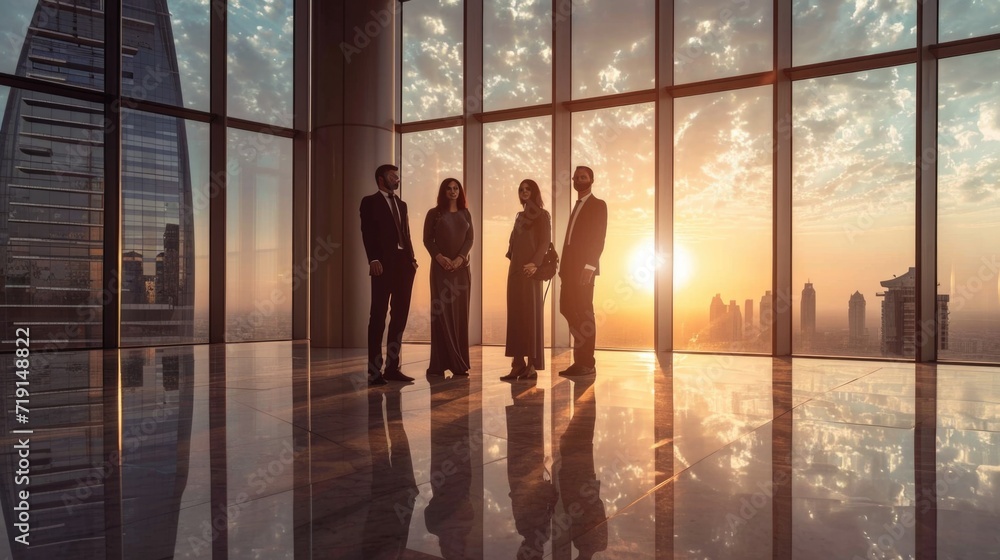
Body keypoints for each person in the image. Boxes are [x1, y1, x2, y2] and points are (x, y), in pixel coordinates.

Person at [360, 164, 417, 386]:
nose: (397, 179)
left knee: (399, 318)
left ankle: (393, 368)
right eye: (393, 176)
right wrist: (373, 259)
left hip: (405, 266)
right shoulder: (369, 202)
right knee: (378, 318)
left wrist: (412, 259)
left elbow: (407, 234)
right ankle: (375, 371)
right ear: (381, 179)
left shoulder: (402, 205)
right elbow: (367, 232)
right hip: (382, 266)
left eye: (398, 176)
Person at [558, 166, 607, 377]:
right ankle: (581, 360)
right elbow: (570, 241)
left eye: (583, 177)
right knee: (567, 308)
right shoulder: (577, 205)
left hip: (584, 270)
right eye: (576, 178)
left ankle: (586, 363)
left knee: (584, 314)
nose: (579, 180)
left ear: (592, 180)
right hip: (569, 270)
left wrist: (589, 266)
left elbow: (598, 237)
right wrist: (562, 269)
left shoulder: (598, 205)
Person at [423, 177, 474, 377]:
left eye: (456, 188)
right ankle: (440, 362)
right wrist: (440, 258)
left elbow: (470, 239)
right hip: (440, 269)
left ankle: (459, 362)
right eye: (449, 189)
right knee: (442, 314)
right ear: (443, 192)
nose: (453, 191)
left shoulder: (466, 213)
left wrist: (460, 259)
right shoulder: (433, 214)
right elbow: (427, 239)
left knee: (460, 314)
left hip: (461, 271)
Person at [502, 179, 550, 380]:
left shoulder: (542, 215)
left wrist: (535, 264)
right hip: (515, 271)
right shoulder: (519, 216)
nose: (524, 191)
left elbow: (545, 241)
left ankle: (531, 365)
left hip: (530, 271)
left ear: (534, 191)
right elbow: (513, 244)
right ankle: (517, 364)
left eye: (528, 188)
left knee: (530, 317)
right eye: (521, 189)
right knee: (515, 316)